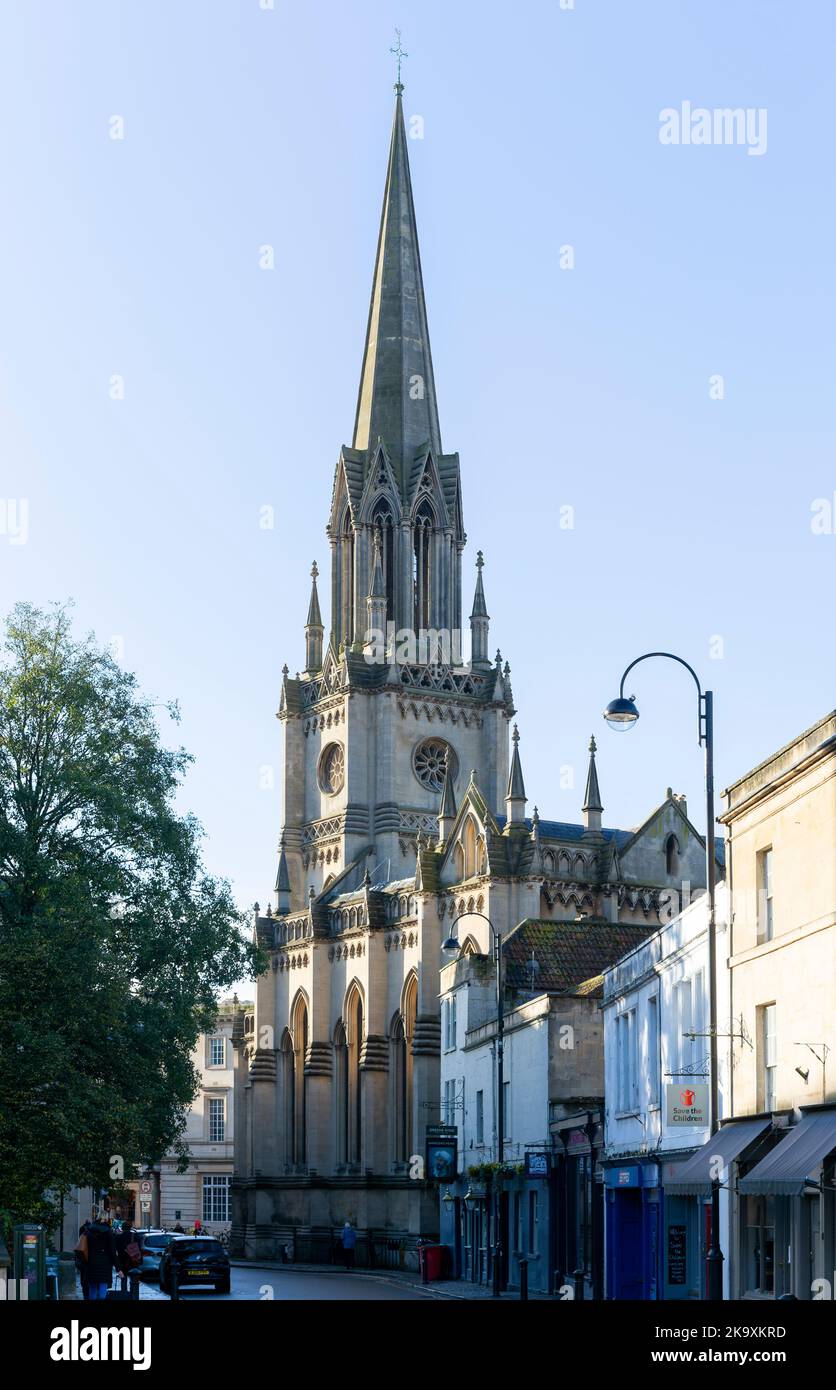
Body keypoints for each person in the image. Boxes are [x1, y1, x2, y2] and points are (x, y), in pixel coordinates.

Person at [85, 1217, 119, 1300]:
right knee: (103, 1284)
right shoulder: (108, 1232)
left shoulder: (89, 1232)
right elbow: (112, 1252)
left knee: (92, 1286)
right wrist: (118, 1267)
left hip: (91, 1262)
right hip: (105, 1264)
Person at [74, 1220, 92, 1300]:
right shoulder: (91, 1234)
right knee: (89, 1281)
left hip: (83, 1261)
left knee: (84, 1280)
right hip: (89, 1261)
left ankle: (86, 1295)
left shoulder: (82, 1234)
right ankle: (88, 1295)